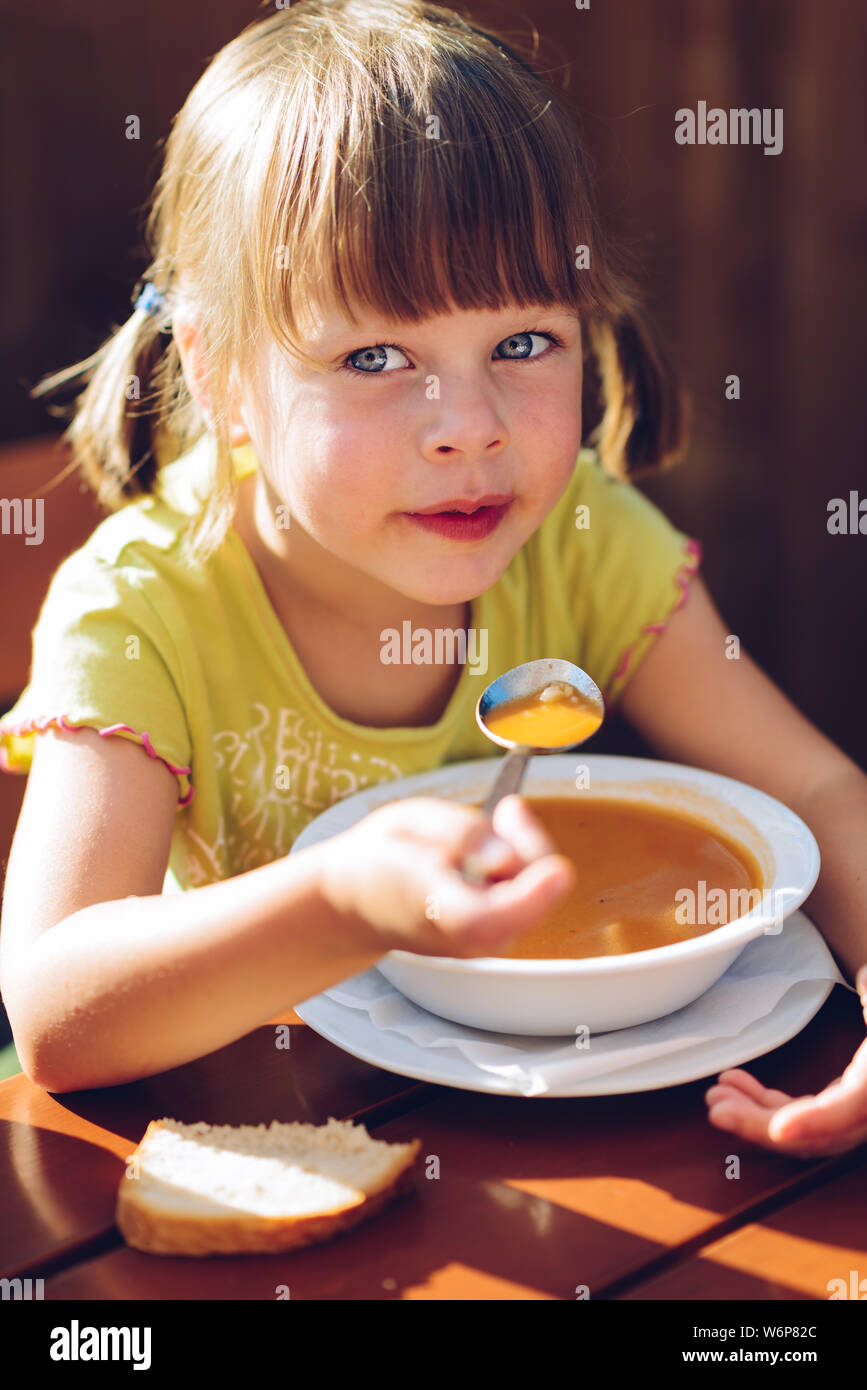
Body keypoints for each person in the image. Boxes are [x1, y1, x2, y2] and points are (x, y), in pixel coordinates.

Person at [1, 1, 865, 1158]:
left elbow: (812, 799)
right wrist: (342, 903)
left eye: (522, 342)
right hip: (277, 1152)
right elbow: (55, 1010)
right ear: (219, 374)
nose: (470, 428)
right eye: (374, 358)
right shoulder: (143, 611)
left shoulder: (582, 538)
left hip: (587, 1146)